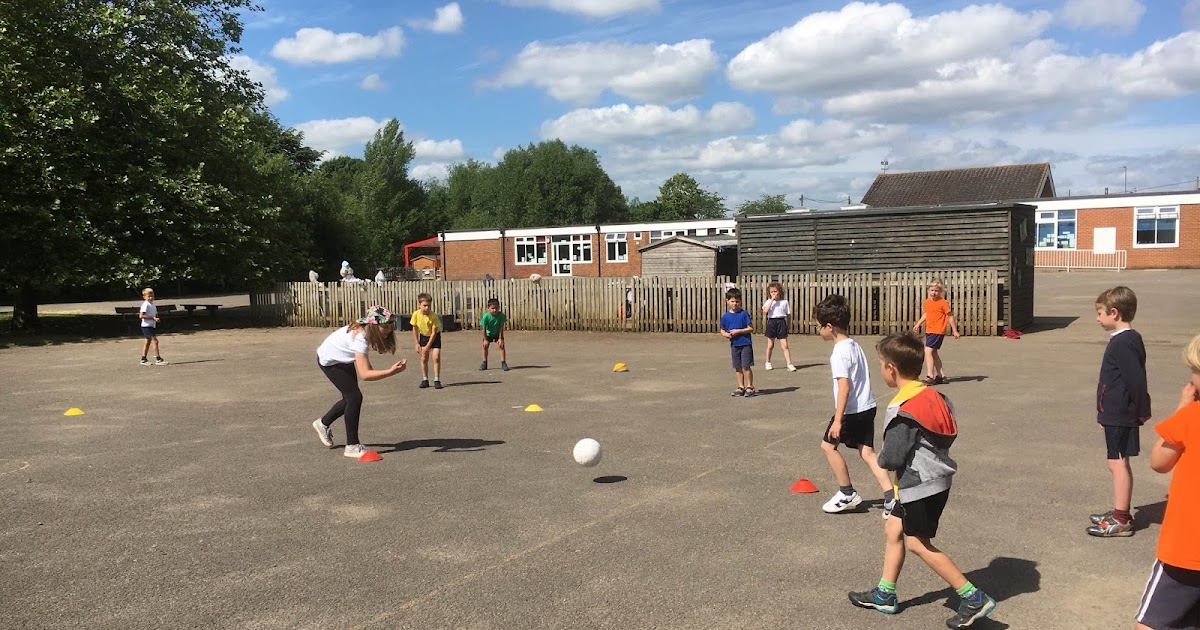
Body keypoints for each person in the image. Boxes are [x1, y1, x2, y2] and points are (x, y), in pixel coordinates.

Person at [849, 333, 996, 628]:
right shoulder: (933, 394)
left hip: (920, 485)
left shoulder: (903, 409)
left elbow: (891, 457)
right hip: (932, 478)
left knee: (918, 544)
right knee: (893, 528)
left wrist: (877, 459)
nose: (881, 370)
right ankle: (885, 594)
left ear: (891, 368)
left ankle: (972, 597)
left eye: (880, 364)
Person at [1134, 333, 1200, 630]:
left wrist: (1183, 407)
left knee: (1151, 624)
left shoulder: (1192, 416)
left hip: (1188, 549)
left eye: (1194, 371)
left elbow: (1159, 462)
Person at [815, 295, 893, 515]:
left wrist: (838, 420)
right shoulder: (854, 345)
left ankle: (847, 492)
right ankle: (890, 497)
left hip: (851, 411)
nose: (819, 330)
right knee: (867, 452)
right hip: (867, 406)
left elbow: (845, 388)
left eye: (819, 326)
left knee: (828, 446)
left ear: (829, 327)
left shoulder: (839, 353)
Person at [1088, 286, 1151, 537]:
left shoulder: (1123, 343)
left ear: (1114, 313)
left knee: (1117, 463)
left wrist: (1141, 409)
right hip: (1117, 410)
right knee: (1119, 461)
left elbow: (1136, 380)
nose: (1097, 318)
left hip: (1119, 411)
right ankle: (1119, 511)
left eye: (1100, 313)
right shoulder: (1127, 339)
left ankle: (1121, 519)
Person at [313, 305, 406, 459]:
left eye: (391, 325)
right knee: (354, 397)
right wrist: (391, 372)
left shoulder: (367, 331)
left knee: (350, 398)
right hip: (329, 360)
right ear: (374, 326)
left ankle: (323, 423)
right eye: (385, 326)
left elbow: (366, 365)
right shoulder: (360, 338)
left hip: (341, 357)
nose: (389, 329)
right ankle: (352, 446)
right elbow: (365, 375)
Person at [912, 277, 960, 384]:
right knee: (933, 353)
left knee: (927, 351)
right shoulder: (927, 302)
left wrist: (955, 330)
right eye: (932, 290)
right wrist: (918, 324)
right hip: (929, 330)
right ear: (929, 290)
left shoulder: (943, 303)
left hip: (938, 331)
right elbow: (926, 314)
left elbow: (950, 316)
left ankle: (930, 375)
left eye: (936, 291)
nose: (934, 293)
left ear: (940, 291)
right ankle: (941, 376)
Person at [720, 287, 755, 397]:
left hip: (745, 343)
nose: (735, 304)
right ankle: (741, 386)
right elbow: (722, 329)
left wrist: (739, 331)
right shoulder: (725, 316)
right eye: (732, 301)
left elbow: (750, 328)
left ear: (740, 302)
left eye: (737, 301)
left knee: (746, 366)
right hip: (734, 345)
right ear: (727, 301)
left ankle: (750, 386)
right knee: (738, 367)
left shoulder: (744, 314)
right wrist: (726, 334)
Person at [411, 292, 444, 389]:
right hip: (424, 337)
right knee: (424, 358)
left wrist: (428, 346)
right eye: (424, 305)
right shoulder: (416, 314)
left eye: (429, 305)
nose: (427, 308)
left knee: (436, 357)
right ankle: (425, 379)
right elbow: (415, 329)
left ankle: (437, 379)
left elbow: (434, 333)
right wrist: (416, 343)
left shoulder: (433, 316)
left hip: (434, 337)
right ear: (419, 305)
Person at [762, 282, 797, 371]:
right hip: (772, 322)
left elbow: (788, 314)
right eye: (771, 292)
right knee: (770, 345)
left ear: (779, 292)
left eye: (775, 291)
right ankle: (768, 362)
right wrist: (771, 300)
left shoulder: (784, 302)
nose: (774, 293)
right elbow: (765, 311)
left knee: (784, 345)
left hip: (781, 322)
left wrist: (788, 325)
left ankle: (789, 363)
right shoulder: (768, 302)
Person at [138, 288, 167, 366]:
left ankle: (143, 359)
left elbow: (154, 314)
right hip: (146, 326)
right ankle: (158, 359)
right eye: (149, 296)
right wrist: (153, 318)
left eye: (152, 296)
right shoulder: (145, 304)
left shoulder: (152, 305)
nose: (151, 297)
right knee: (155, 341)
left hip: (151, 325)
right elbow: (141, 315)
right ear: (144, 297)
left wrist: (156, 318)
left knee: (147, 342)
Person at [480, 298, 509, 371]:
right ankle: (484, 363)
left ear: (499, 307)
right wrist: (485, 339)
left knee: (501, 346)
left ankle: (503, 363)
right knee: (485, 347)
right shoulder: (486, 316)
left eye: (496, 308)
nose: (495, 310)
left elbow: (501, 327)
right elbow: (483, 328)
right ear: (488, 308)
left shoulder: (501, 315)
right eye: (492, 308)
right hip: (488, 334)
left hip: (497, 333)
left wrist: (500, 338)